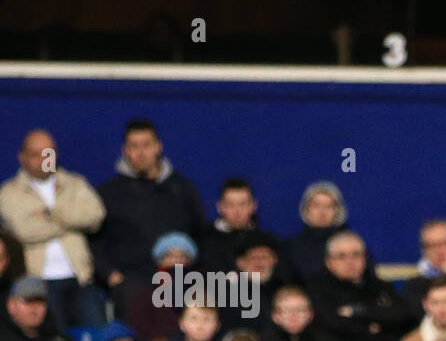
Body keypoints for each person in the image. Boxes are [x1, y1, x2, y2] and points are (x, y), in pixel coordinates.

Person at [91, 119, 205, 313]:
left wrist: (188, 260)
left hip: (179, 279)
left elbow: (200, 234)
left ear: (158, 147)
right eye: (134, 146)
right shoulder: (108, 193)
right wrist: (110, 275)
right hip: (131, 283)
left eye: (146, 145)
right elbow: (95, 242)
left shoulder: (182, 189)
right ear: (125, 150)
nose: (141, 153)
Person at [0, 128, 106, 329]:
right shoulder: (9, 192)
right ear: (22, 158)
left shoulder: (74, 184)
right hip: (38, 282)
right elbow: (24, 230)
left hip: (80, 278)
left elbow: (95, 215)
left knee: (98, 335)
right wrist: (73, 224)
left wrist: (50, 215)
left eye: (48, 153)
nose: (43, 159)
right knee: (54, 339)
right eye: (35, 154)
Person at [307, 231, 412, 341]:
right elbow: (331, 322)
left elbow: (402, 314)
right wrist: (372, 325)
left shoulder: (380, 286)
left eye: (356, 255)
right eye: (342, 256)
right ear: (329, 262)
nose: (350, 261)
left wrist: (358, 311)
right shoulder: (318, 291)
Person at [198, 178, 268, 275]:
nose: (237, 211)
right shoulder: (203, 241)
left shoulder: (266, 242)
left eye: (242, 204)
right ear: (220, 207)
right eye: (231, 205)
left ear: (253, 206)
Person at [285, 181, 349, 284]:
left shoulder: (352, 245)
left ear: (338, 211)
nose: (322, 212)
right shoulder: (291, 247)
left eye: (329, 206)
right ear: (306, 210)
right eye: (316, 205)